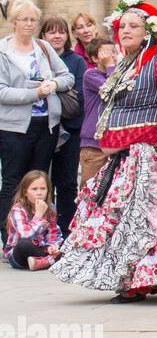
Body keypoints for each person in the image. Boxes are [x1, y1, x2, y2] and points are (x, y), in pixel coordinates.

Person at [52, 0, 157, 301]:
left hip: (147, 155)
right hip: (120, 155)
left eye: (133, 26)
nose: (125, 30)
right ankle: (131, 275)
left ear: (148, 32)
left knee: (142, 219)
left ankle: (140, 278)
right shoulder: (125, 64)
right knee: (118, 216)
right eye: (122, 26)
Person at [0, 0, 74, 236]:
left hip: (46, 124)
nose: (29, 24)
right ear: (14, 22)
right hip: (14, 127)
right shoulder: (3, 51)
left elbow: (67, 77)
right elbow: (2, 91)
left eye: (33, 20)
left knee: (40, 181)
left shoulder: (43, 47)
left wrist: (53, 83)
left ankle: (38, 232)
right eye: (24, 20)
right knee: (13, 182)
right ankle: (9, 234)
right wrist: (35, 93)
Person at [39, 17, 87, 240]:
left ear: (68, 36)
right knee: (39, 181)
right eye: (51, 32)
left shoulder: (76, 61)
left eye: (61, 32)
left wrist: (50, 88)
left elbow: (78, 95)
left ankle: (66, 230)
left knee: (67, 182)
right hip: (41, 128)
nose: (57, 36)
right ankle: (40, 230)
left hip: (70, 129)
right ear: (43, 36)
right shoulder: (37, 58)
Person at [5, 170, 61, 271]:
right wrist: (38, 216)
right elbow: (25, 235)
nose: (39, 193)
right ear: (25, 192)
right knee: (23, 245)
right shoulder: (18, 210)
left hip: (41, 248)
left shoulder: (50, 208)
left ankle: (40, 262)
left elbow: (53, 232)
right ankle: (50, 261)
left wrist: (51, 246)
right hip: (20, 254)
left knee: (67, 245)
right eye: (34, 189)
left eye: (43, 189)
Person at [79, 38, 115, 182]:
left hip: (112, 144)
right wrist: (110, 66)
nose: (111, 56)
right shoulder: (91, 75)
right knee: (90, 191)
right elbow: (112, 90)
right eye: (106, 53)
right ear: (94, 58)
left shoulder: (118, 74)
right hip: (94, 146)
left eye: (113, 52)